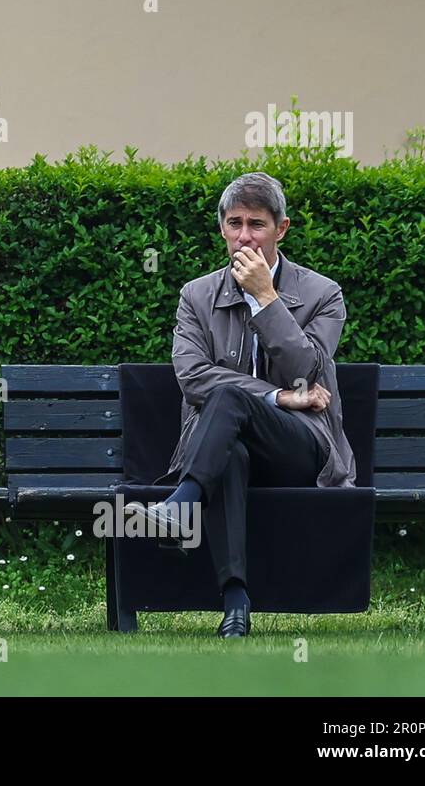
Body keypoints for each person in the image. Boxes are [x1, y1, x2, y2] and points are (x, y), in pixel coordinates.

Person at [126, 171, 356, 638]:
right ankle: (235, 601)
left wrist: (267, 299)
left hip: (299, 448)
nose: (244, 236)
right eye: (234, 223)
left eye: (257, 224)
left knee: (229, 394)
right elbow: (192, 377)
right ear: (221, 229)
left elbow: (306, 369)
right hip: (220, 452)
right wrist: (278, 396)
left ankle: (183, 503)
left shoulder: (322, 294)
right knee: (231, 449)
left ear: (282, 229)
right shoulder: (196, 296)